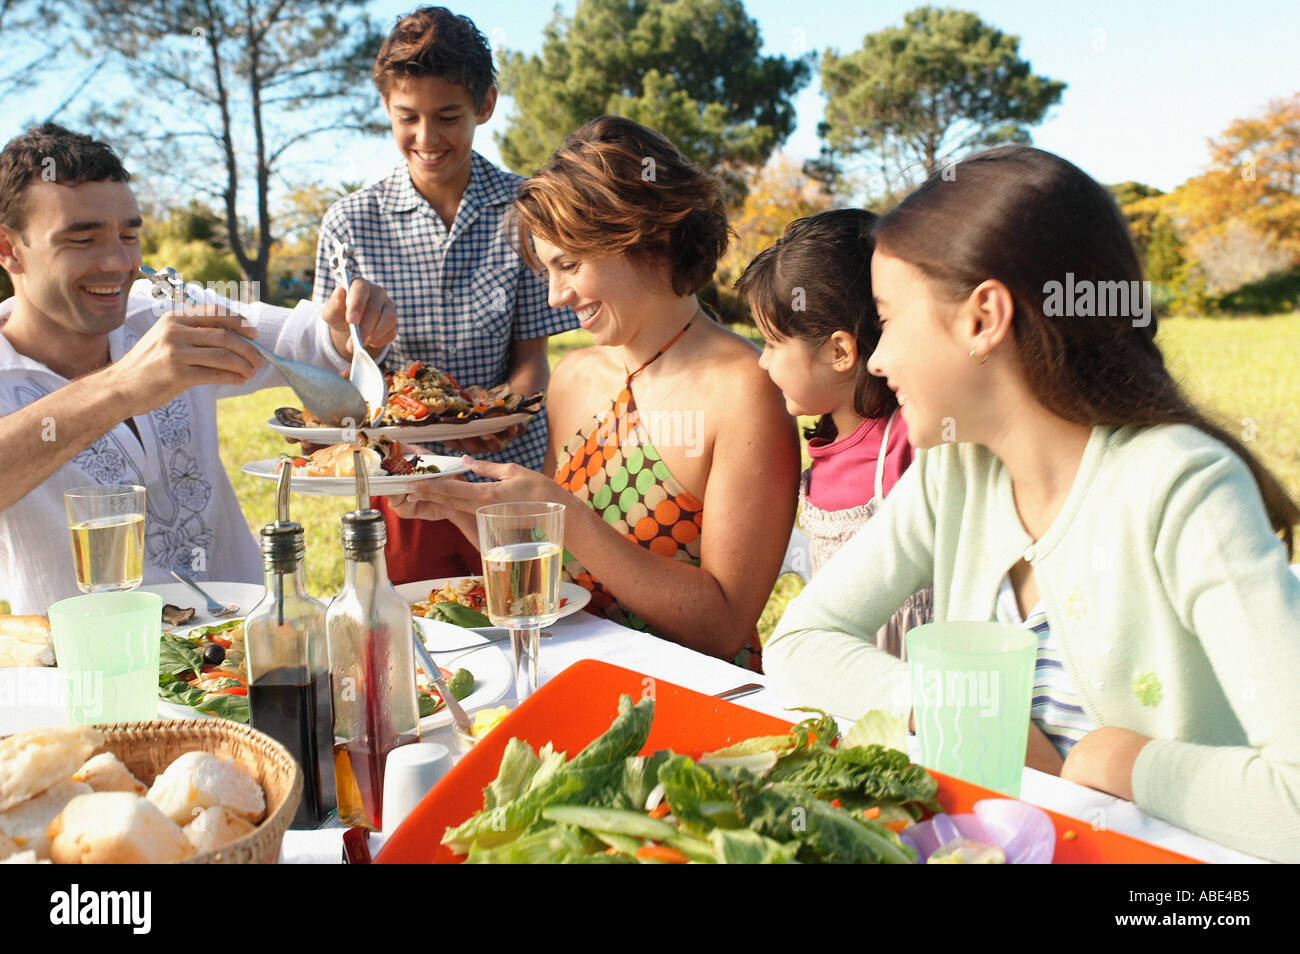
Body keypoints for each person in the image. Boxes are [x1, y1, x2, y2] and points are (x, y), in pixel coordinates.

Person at [762, 145, 1300, 862]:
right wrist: (961, 708)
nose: (878, 360)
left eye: (887, 320)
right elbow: (797, 644)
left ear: (984, 316)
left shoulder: (1181, 486)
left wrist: (1122, 765)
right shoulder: (953, 472)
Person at [393, 117, 801, 669]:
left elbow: (722, 627)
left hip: (693, 705)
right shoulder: (575, 377)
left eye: (570, 265)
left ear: (642, 236)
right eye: (546, 270)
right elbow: (553, 577)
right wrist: (460, 508)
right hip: (571, 676)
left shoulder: (746, 389)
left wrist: (568, 515)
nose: (556, 296)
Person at [0, 124, 397, 614]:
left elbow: (308, 343)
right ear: (8, 248)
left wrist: (346, 328)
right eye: (82, 239)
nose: (118, 262)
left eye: (129, 235)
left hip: (248, 652)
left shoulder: (167, 310)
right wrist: (121, 388)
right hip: (89, 674)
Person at [312, 6, 577, 583]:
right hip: (403, 485)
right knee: (421, 634)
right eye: (408, 117)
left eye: (448, 116)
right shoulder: (350, 224)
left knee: (527, 615)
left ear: (485, 105)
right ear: (386, 106)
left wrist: (509, 414)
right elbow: (336, 366)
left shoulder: (525, 210)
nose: (427, 139)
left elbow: (532, 360)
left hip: (508, 478)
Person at [735, 209, 930, 657]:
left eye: (771, 343)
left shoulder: (910, 442)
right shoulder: (820, 448)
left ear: (839, 351)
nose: (762, 362)